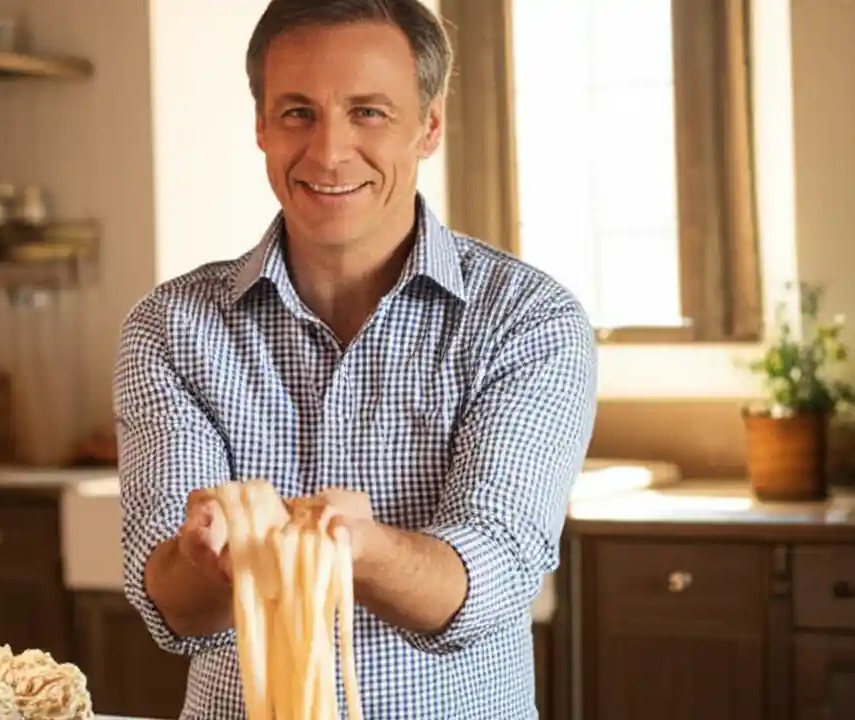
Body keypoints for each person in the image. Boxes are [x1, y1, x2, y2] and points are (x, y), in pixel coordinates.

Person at [114, 0, 598, 717]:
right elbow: (175, 612)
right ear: (261, 127)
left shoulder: (529, 321)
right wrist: (201, 557)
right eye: (298, 113)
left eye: (368, 111)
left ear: (429, 125)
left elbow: (494, 573)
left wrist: (358, 548)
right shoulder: (172, 327)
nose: (329, 152)